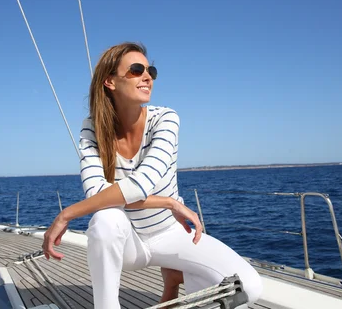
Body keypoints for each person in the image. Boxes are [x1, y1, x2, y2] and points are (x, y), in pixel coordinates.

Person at [43, 42, 263, 308]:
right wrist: (170, 202)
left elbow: (141, 184)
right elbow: (98, 196)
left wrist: (67, 213)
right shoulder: (92, 129)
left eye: (151, 71)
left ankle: (173, 278)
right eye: (137, 70)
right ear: (110, 81)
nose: (148, 77)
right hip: (128, 242)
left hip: (171, 232)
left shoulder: (165, 119)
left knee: (248, 288)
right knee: (106, 219)